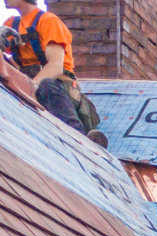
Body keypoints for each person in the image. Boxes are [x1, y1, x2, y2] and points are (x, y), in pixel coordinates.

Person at [2, 1, 104, 144]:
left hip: (59, 87)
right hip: (30, 85)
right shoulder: (10, 24)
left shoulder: (48, 21)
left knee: (47, 85)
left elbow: (56, 66)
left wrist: (29, 88)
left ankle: (80, 138)